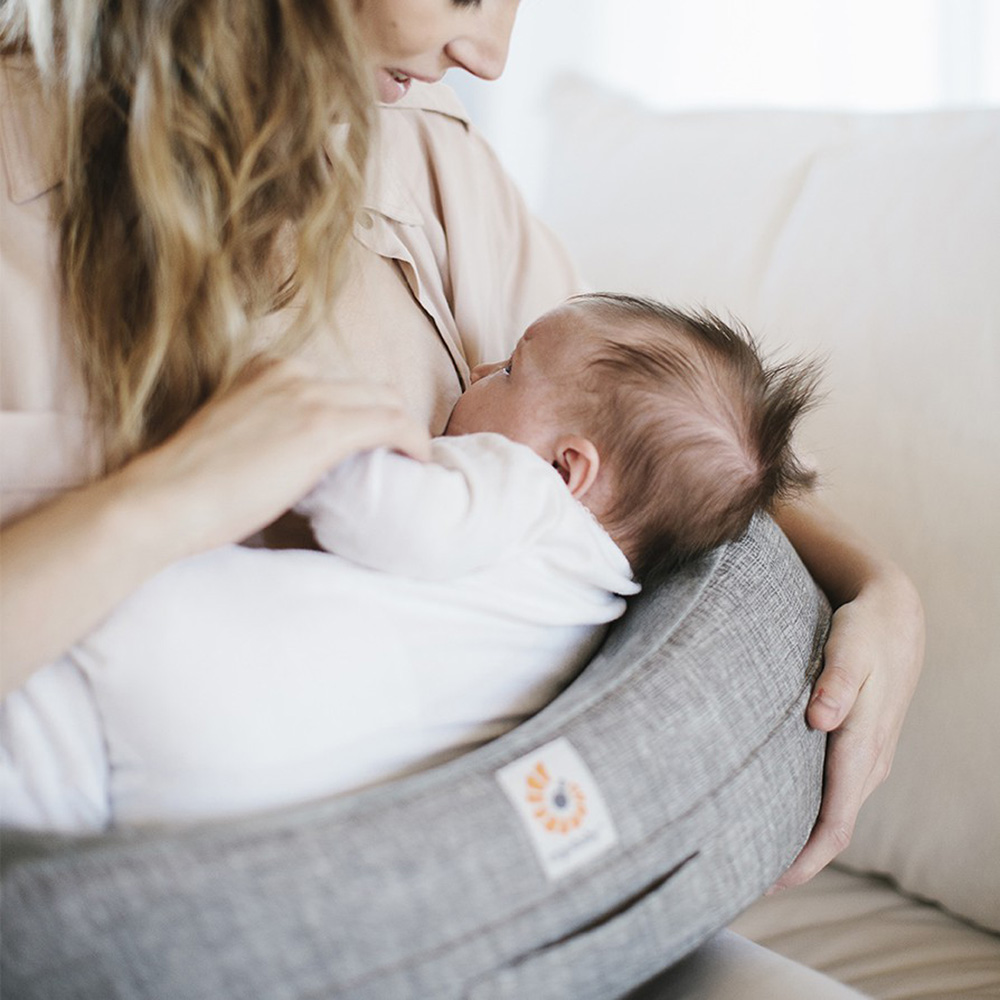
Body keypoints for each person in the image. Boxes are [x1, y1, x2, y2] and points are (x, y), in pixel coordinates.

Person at [0, 0, 923, 886]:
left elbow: (651, 433)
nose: (492, 58)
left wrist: (877, 584)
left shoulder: (420, 148)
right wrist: (172, 501)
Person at [0, 292, 819, 829]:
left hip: (147, 677)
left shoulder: (525, 495)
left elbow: (393, 517)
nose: (475, 370)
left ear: (569, 470)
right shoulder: (580, 615)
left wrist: (319, 436)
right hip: (221, 797)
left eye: (509, 369)